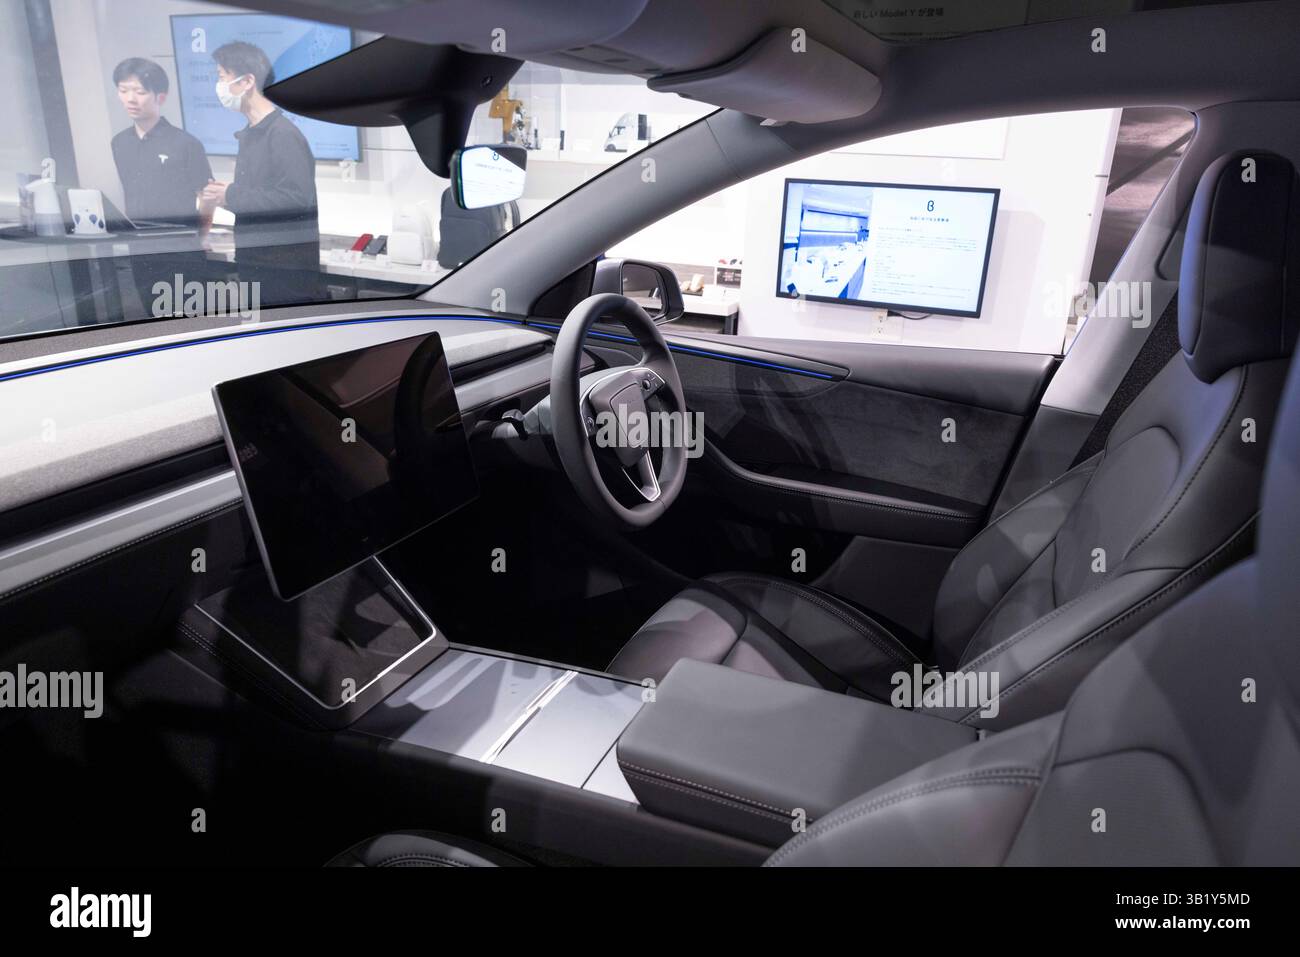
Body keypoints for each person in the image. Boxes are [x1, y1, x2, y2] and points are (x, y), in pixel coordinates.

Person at [200, 41, 320, 282]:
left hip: (283, 270)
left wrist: (231, 195)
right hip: (256, 262)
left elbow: (295, 198)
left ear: (246, 82)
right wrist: (225, 195)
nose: (219, 86)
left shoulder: (283, 134)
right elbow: (259, 195)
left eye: (223, 77)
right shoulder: (253, 132)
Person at [110, 58, 212, 226]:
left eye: (140, 92)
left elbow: (206, 198)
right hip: (138, 238)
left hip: (181, 239)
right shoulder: (119, 142)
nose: (130, 99)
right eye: (123, 90)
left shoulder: (186, 143)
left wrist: (202, 236)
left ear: (161, 98)